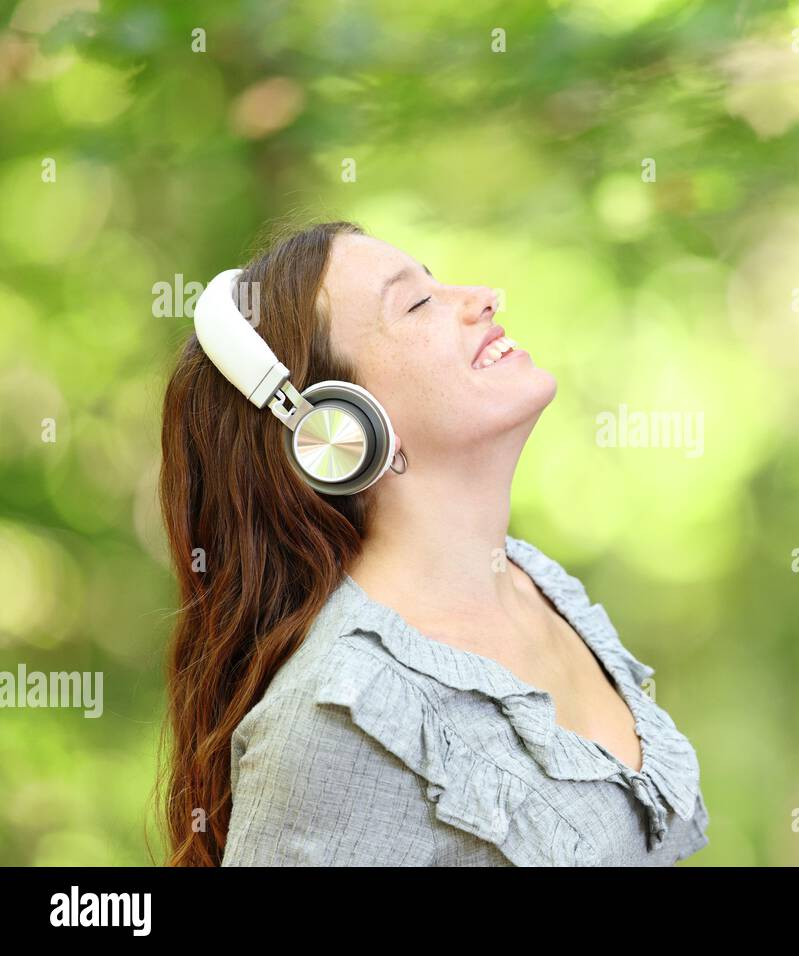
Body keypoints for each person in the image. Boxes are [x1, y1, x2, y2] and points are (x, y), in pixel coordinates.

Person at [157, 221, 709, 865]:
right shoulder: (339, 714)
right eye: (417, 302)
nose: (484, 296)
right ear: (337, 429)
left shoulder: (543, 586)